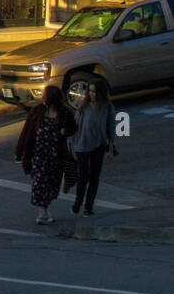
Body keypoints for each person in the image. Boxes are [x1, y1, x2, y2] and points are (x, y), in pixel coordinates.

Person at [15, 84, 77, 225]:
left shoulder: (64, 113)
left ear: (52, 98)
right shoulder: (37, 111)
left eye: (44, 95)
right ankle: (42, 213)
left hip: (56, 156)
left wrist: (65, 132)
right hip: (38, 154)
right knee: (39, 182)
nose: (42, 97)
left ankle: (45, 210)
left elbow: (73, 127)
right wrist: (19, 153)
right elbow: (26, 133)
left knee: (52, 184)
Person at [69, 79, 117, 216]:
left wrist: (111, 148)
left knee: (95, 177)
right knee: (83, 176)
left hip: (98, 145)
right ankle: (78, 203)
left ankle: (88, 206)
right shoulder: (83, 106)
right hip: (82, 145)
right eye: (90, 91)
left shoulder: (107, 107)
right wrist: (70, 143)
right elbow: (74, 126)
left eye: (95, 92)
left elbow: (111, 128)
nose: (92, 94)